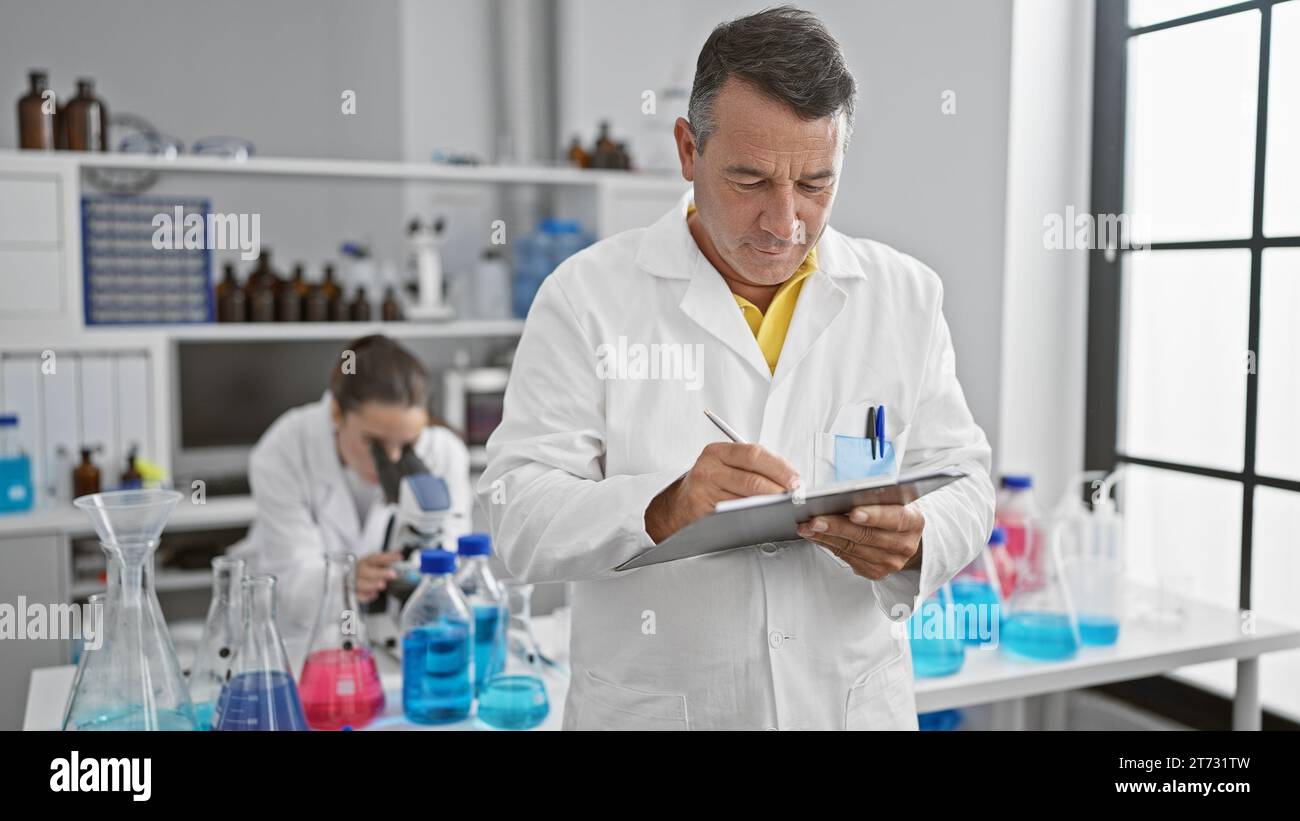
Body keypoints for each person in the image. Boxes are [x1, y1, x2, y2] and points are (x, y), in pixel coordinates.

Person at [478, 6, 994, 730]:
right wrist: (662, 507)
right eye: (749, 181)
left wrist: (916, 537)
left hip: (848, 707)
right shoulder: (586, 297)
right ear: (689, 150)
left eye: (815, 184)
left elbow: (966, 480)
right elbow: (513, 513)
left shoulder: (905, 295)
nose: (785, 223)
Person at [232, 335, 472, 665]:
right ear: (336, 412)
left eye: (408, 443)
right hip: (300, 637)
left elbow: (453, 557)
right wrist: (343, 582)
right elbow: (292, 581)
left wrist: (423, 570)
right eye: (374, 442)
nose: (391, 458)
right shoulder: (285, 449)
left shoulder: (443, 452)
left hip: (392, 637)